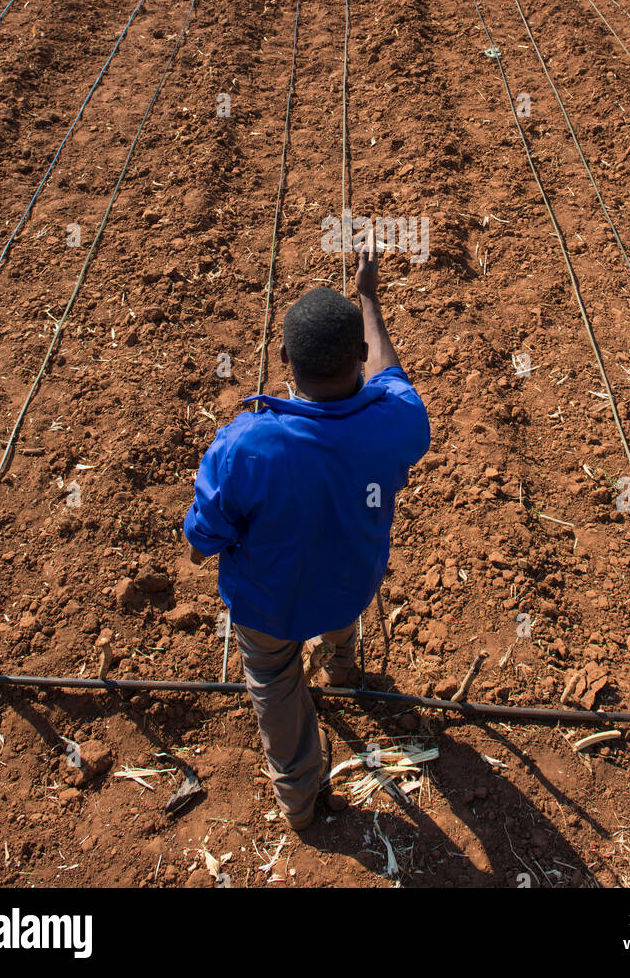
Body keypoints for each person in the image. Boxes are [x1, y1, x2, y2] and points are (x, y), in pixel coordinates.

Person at [184, 242, 431, 833]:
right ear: (362, 355)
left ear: (284, 356)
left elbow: (204, 539)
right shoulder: (395, 422)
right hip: (351, 582)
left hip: (271, 606)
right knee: (340, 611)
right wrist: (369, 296)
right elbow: (393, 378)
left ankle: (300, 802)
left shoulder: (244, 444)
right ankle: (344, 671)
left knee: (274, 683)